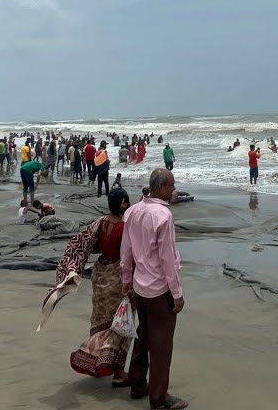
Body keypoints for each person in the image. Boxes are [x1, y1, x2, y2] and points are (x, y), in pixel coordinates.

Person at [41, 188, 133, 383]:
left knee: (100, 319)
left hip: (100, 275)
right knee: (121, 322)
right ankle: (117, 372)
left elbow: (79, 245)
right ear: (124, 203)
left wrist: (71, 271)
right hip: (118, 277)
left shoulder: (99, 223)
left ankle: (94, 358)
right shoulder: (127, 226)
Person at [120, 169, 187, 409]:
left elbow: (125, 249)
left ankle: (137, 383)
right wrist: (177, 294)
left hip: (140, 285)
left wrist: (126, 278)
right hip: (159, 288)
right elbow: (168, 259)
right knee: (161, 344)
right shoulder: (162, 215)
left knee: (143, 334)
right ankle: (158, 397)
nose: (173, 190)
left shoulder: (133, 210)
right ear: (159, 187)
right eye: (170, 185)